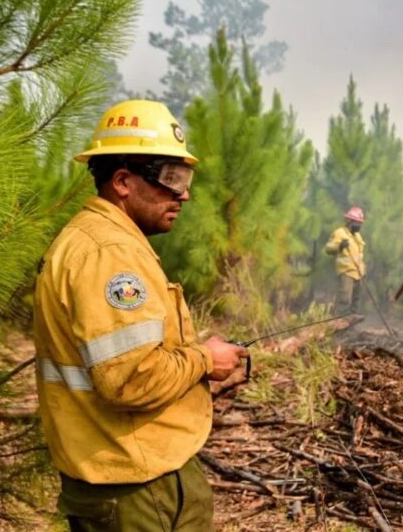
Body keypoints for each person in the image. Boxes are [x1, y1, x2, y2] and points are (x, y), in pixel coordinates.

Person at [33, 99, 249, 531]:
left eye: (185, 178)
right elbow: (131, 380)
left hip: (136, 471)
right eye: (171, 178)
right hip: (134, 487)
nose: (184, 194)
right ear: (123, 181)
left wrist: (196, 378)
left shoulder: (105, 242)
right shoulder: (109, 254)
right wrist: (205, 360)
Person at [324, 206, 366, 314]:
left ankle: (351, 325)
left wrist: (362, 270)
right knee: (344, 299)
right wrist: (340, 246)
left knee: (355, 301)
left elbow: (359, 255)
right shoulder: (339, 233)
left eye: (360, 223)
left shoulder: (357, 236)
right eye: (357, 223)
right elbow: (328, 248)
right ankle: (340, 322)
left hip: (358, 273)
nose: (359, 225)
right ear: (350, 221)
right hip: (346, 272)